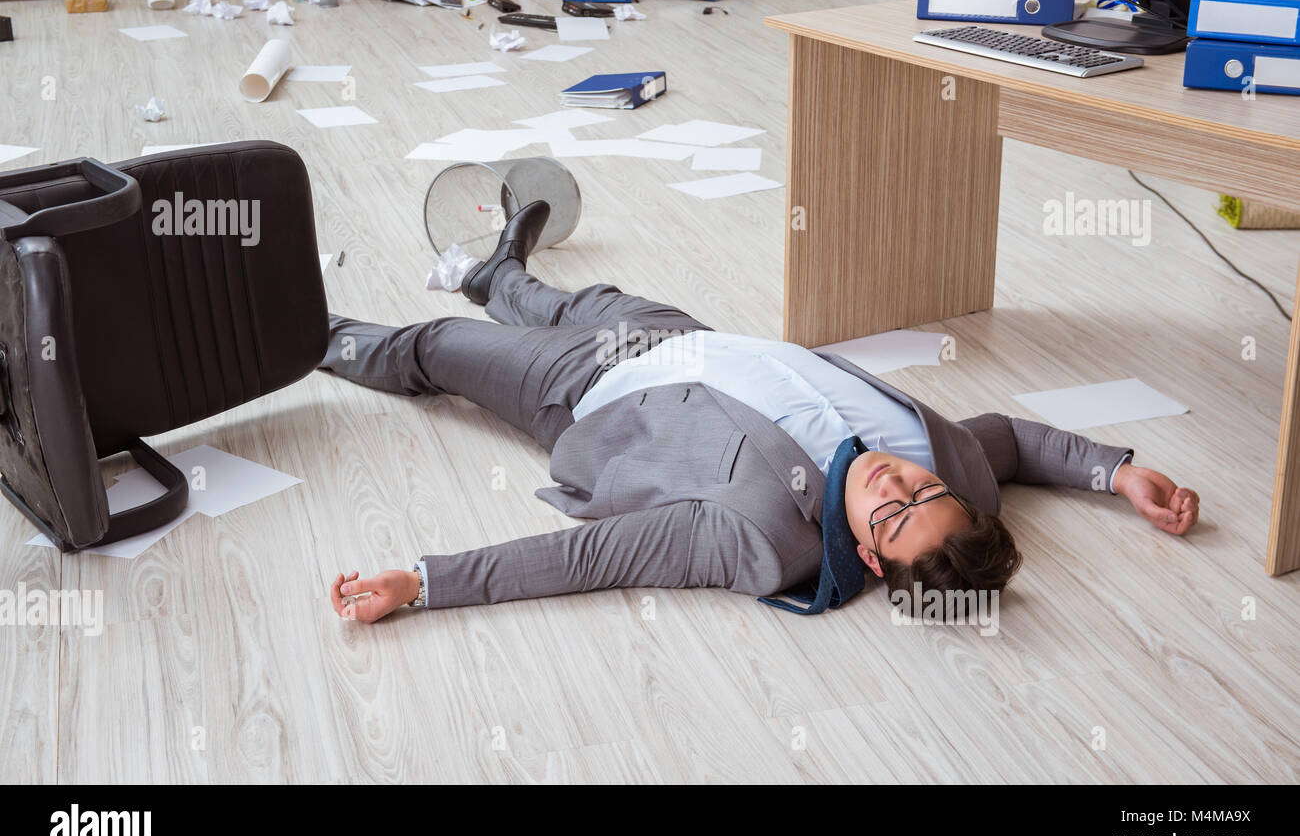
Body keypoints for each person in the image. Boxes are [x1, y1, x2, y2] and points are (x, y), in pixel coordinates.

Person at [323, 202, 1199, 623]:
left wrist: (422, 581)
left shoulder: (758, 537)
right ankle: (495, 273)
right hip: (676, 334)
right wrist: (1115, 472)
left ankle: (306, 335)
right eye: (924, 487)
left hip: (586, 389)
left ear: (864, 553)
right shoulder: (954, 468)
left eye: (892, 513)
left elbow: (585, 556)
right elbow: (1009, 439)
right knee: (566, 296)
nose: (896, 479)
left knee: (437, 347)